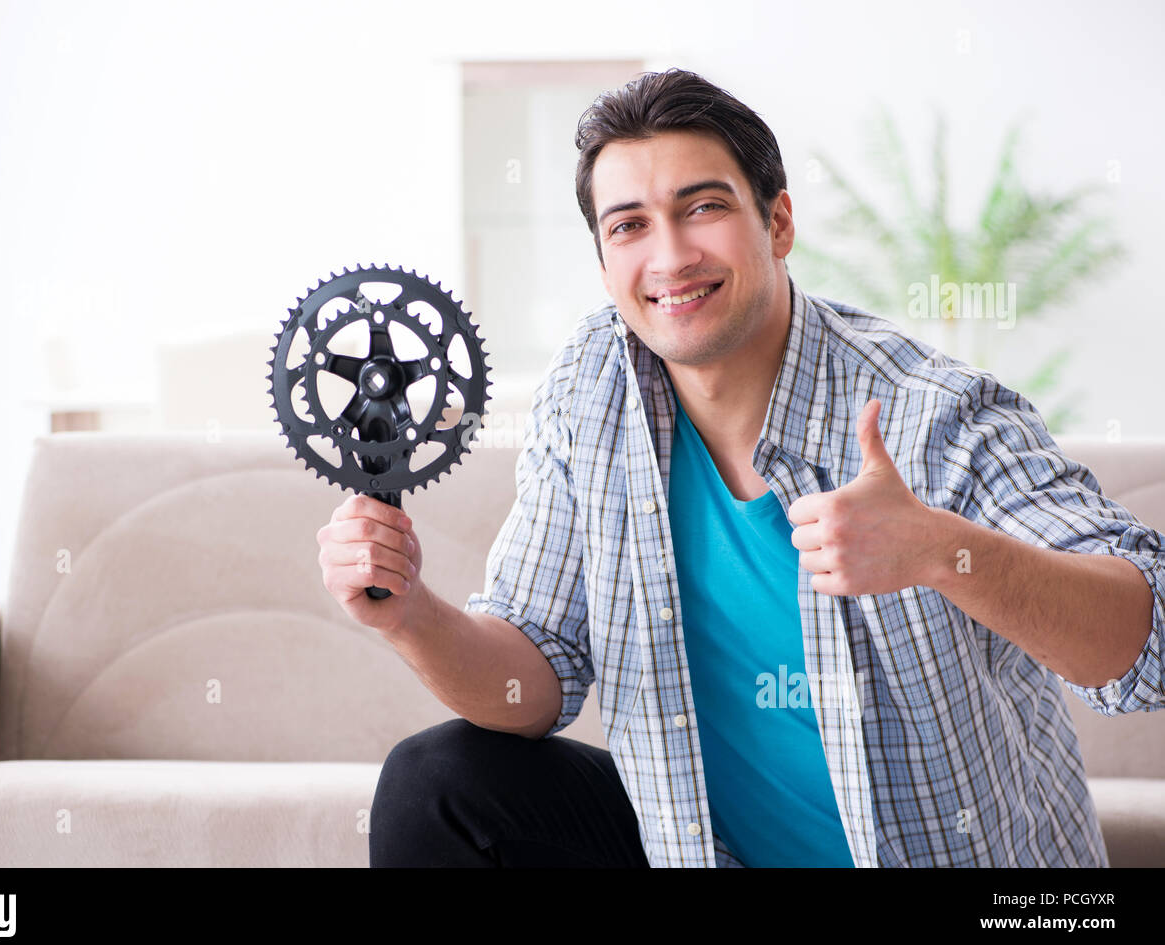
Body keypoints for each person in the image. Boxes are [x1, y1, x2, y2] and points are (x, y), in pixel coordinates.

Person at [316, 68, 1164, 867]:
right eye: (630, 225)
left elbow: (1150, 643)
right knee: (442, 783)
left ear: (779, 222)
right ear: (605, 260)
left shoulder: (931, 412)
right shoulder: (592, 386)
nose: (672, 255)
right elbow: (533, 678)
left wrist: (944, 550)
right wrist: (408, 613)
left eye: (703, 207)